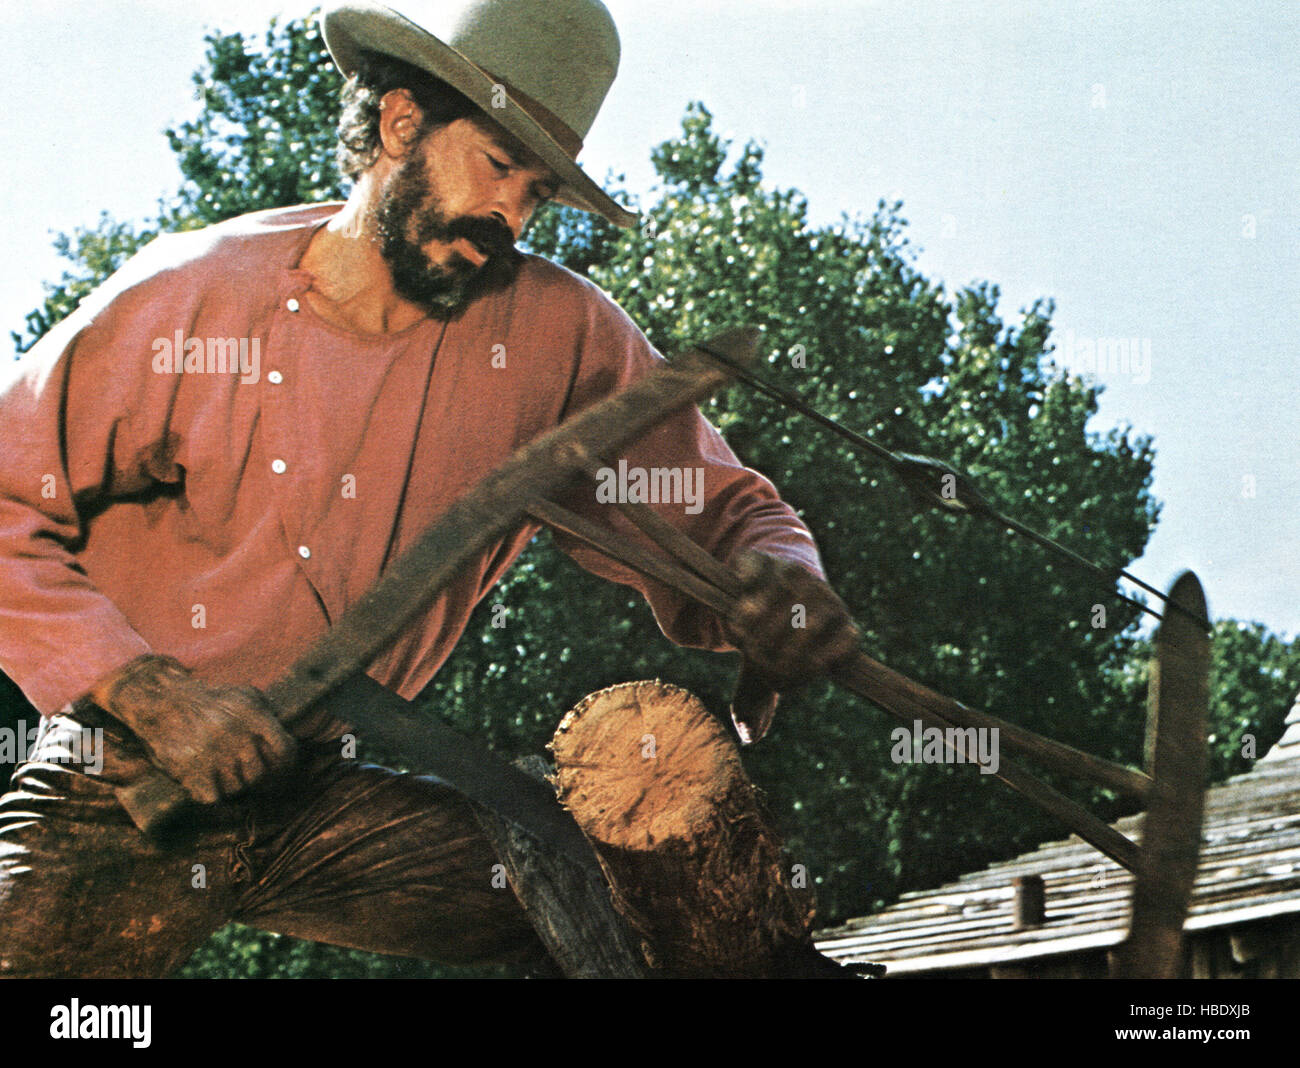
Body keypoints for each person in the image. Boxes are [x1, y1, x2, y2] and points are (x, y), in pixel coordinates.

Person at [0, 0, 858, 977]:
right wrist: (146, 692)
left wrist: (780, 581)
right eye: (498, 168)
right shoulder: (196, 298)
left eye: (537, 195)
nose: (510, 219)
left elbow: (721, 512)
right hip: (124, 782)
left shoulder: (557, 340)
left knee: (651, 902)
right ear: (401, 121)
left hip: (315, 794)